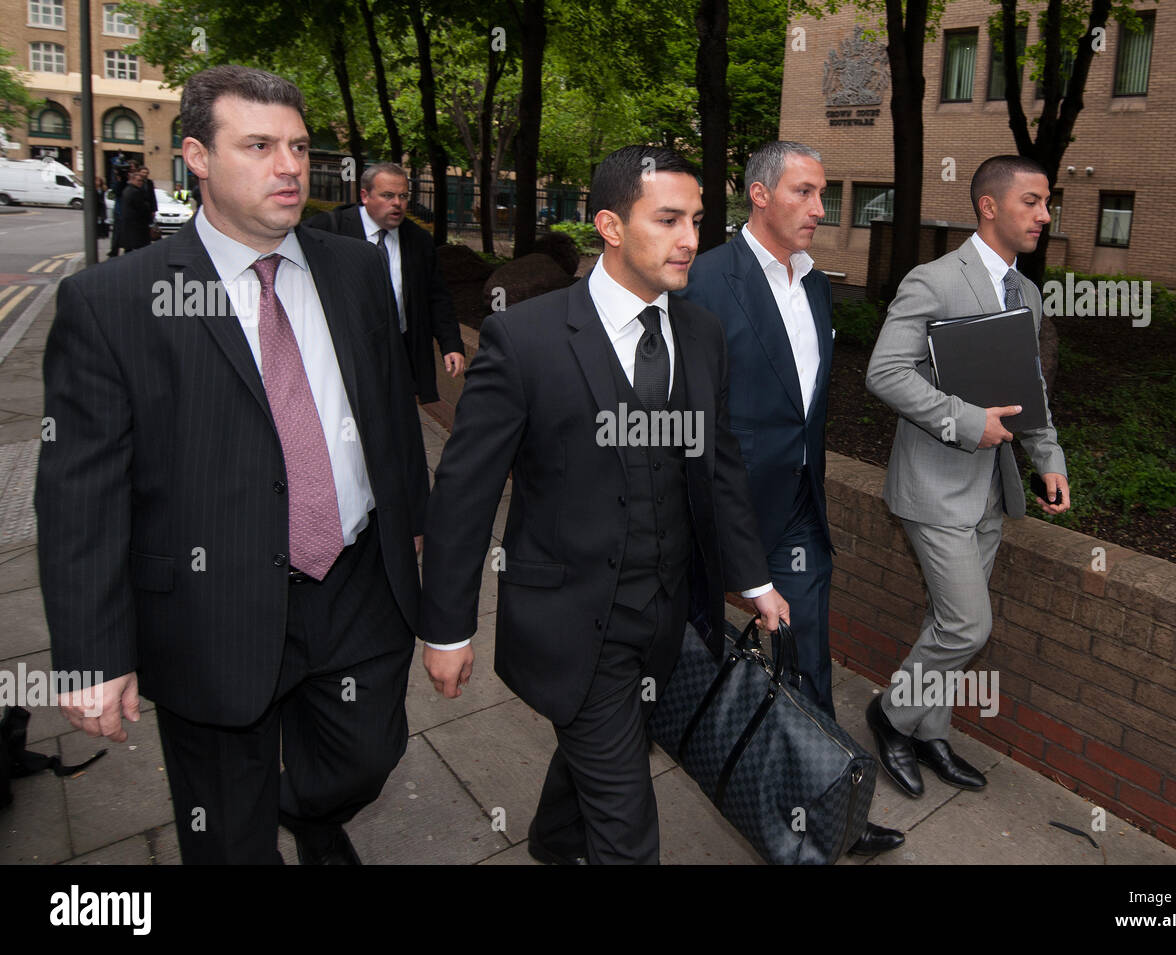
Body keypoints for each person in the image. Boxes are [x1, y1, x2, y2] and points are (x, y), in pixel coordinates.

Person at [36, 64, 429, 865]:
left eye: (298, 146)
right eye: (258, 145)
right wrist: (92, 652)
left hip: (354, 583)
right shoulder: (113, 303)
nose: (289, 166)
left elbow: (388, 413)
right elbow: (80, 494)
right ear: (197, 156)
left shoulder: (352, 271)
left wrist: (416, 527)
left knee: (364, 754)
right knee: (226, 828)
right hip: (206, 605)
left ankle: (308, 811)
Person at [420, 145, 790, 865]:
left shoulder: (702, 336)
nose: (691, 239)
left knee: (599, 756)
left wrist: (753, 577)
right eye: (669, 219)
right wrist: (445, 627)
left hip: (667, 618)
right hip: (572, 620)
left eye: (698, 220)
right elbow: (464, 489)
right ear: (611, 226)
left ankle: (556, 842)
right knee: (627, 831)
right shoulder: (525, 338)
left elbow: (719, 466)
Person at [682, 140, 903, 857]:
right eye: (806, 193)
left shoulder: (815, 283)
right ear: (759, 194)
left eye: (824, 194)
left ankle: (827, 811)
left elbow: (806, 405)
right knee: (655, 663)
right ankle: (577, 809)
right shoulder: (703, 279)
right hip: (711, 514)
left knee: (809, 658)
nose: (821, 209)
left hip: (799, 509)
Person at [864, 154, 1070, 798]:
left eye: (1046, 203)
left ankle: (930, 732)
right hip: (933, 487)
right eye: (1032, 202)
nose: (1044, 215)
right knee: (966, 627)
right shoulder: (933, 280)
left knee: (945, 621)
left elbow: (1026, 387)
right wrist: (962, 420)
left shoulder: (1027, 294)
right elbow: (885, 372)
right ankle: (891, 716)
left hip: (990, 490)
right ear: (989, 205)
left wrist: (1049, 459)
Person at [305, 162, 464, 403]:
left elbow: (437, 296)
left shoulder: (418, 240)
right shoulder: (327, 230)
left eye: (403, 196)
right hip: (345, 354)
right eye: (388, 196)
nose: (397, 203)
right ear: (365, 195)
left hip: (400, 353)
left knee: (397, 428)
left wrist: (451, 344)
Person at [115, 166, 153, 252]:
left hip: (131, 223)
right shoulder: (134, 192)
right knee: (137, 247)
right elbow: (142, 208)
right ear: (132, 180)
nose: (141, 183)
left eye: (141, 181)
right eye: (138, 181)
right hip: (136, 224)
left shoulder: (129, 190)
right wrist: (147, 207)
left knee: (130, 247)